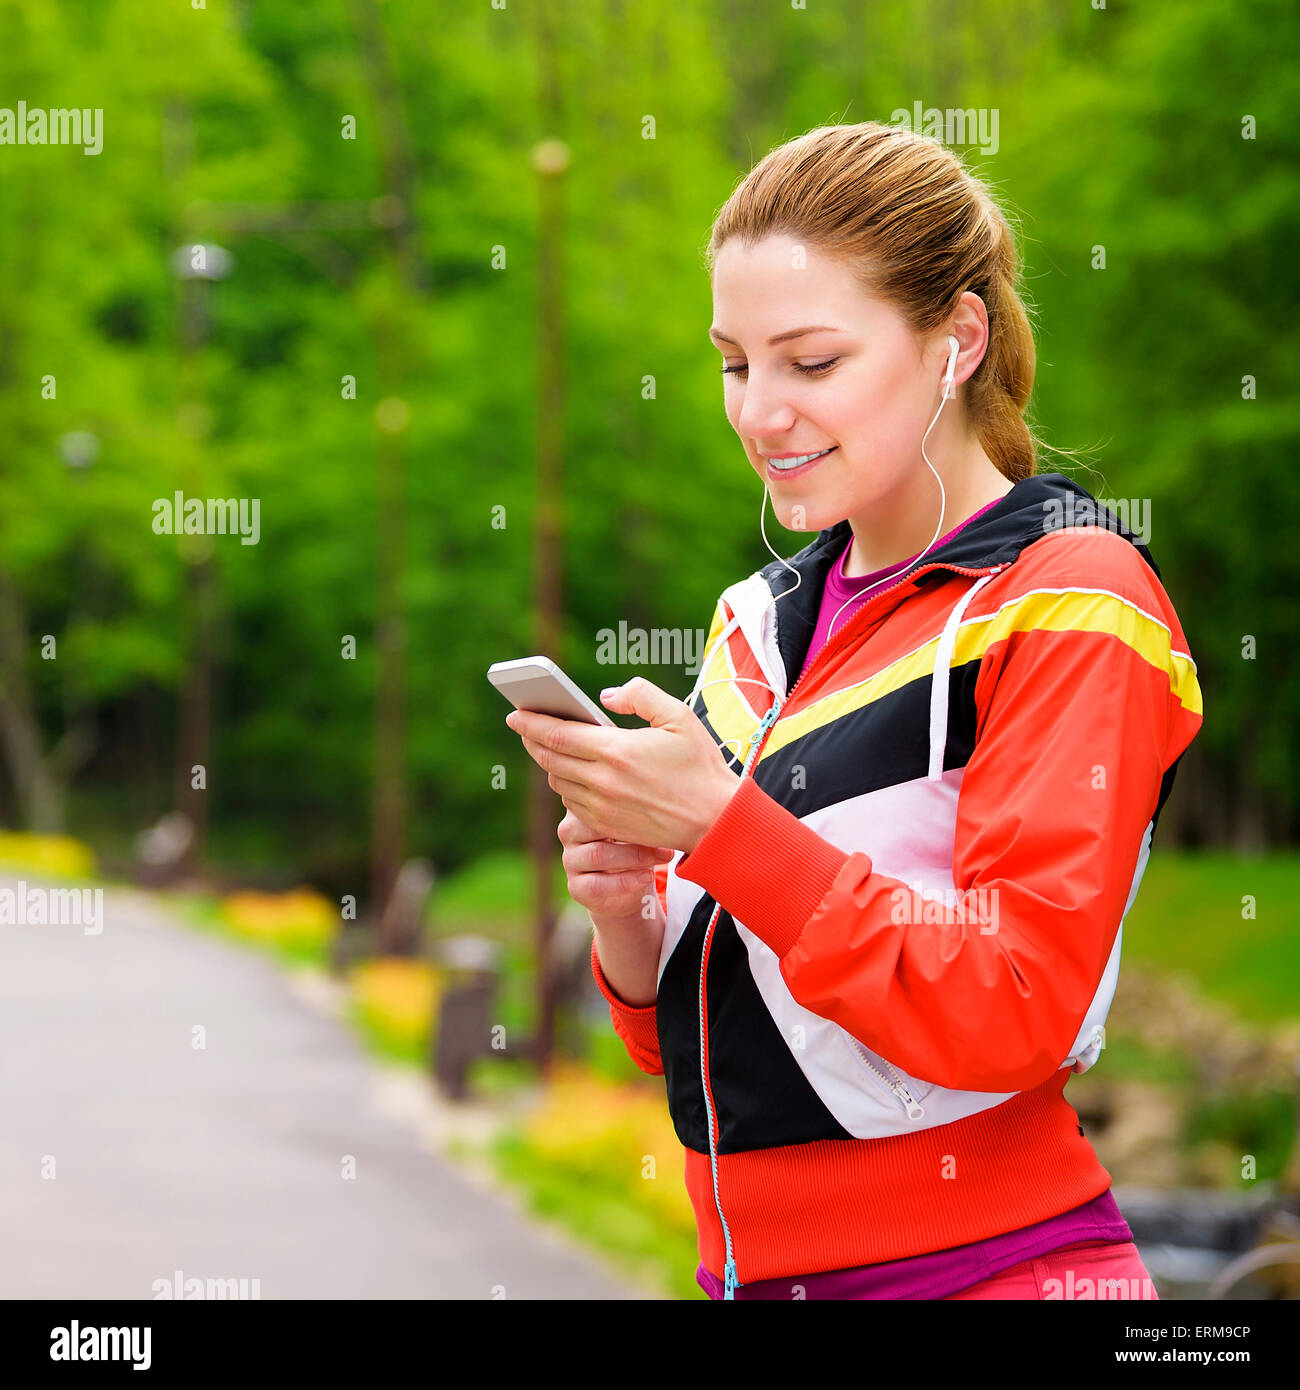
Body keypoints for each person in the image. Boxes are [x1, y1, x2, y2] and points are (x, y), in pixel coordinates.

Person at [504, 120, 1202, 1300]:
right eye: (735, 363)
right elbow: (717, 1048)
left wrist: (722, 829)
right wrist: (630, 912)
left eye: (811, 363)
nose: (759, 412)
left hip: (986, 1267)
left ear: (956, 341)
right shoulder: (754, 621)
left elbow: (1018, 1001)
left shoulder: (1072, 599)